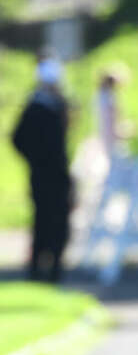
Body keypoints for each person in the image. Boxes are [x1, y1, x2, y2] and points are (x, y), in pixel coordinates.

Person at [11, 53, 72, 282]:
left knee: (52, 220)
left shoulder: (51, 106)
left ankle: (50, 267)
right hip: (47, 173)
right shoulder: (40, 107)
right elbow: (18, 139)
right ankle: (41, 269)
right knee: (46, 221)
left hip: (49, 172)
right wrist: (36, 159)